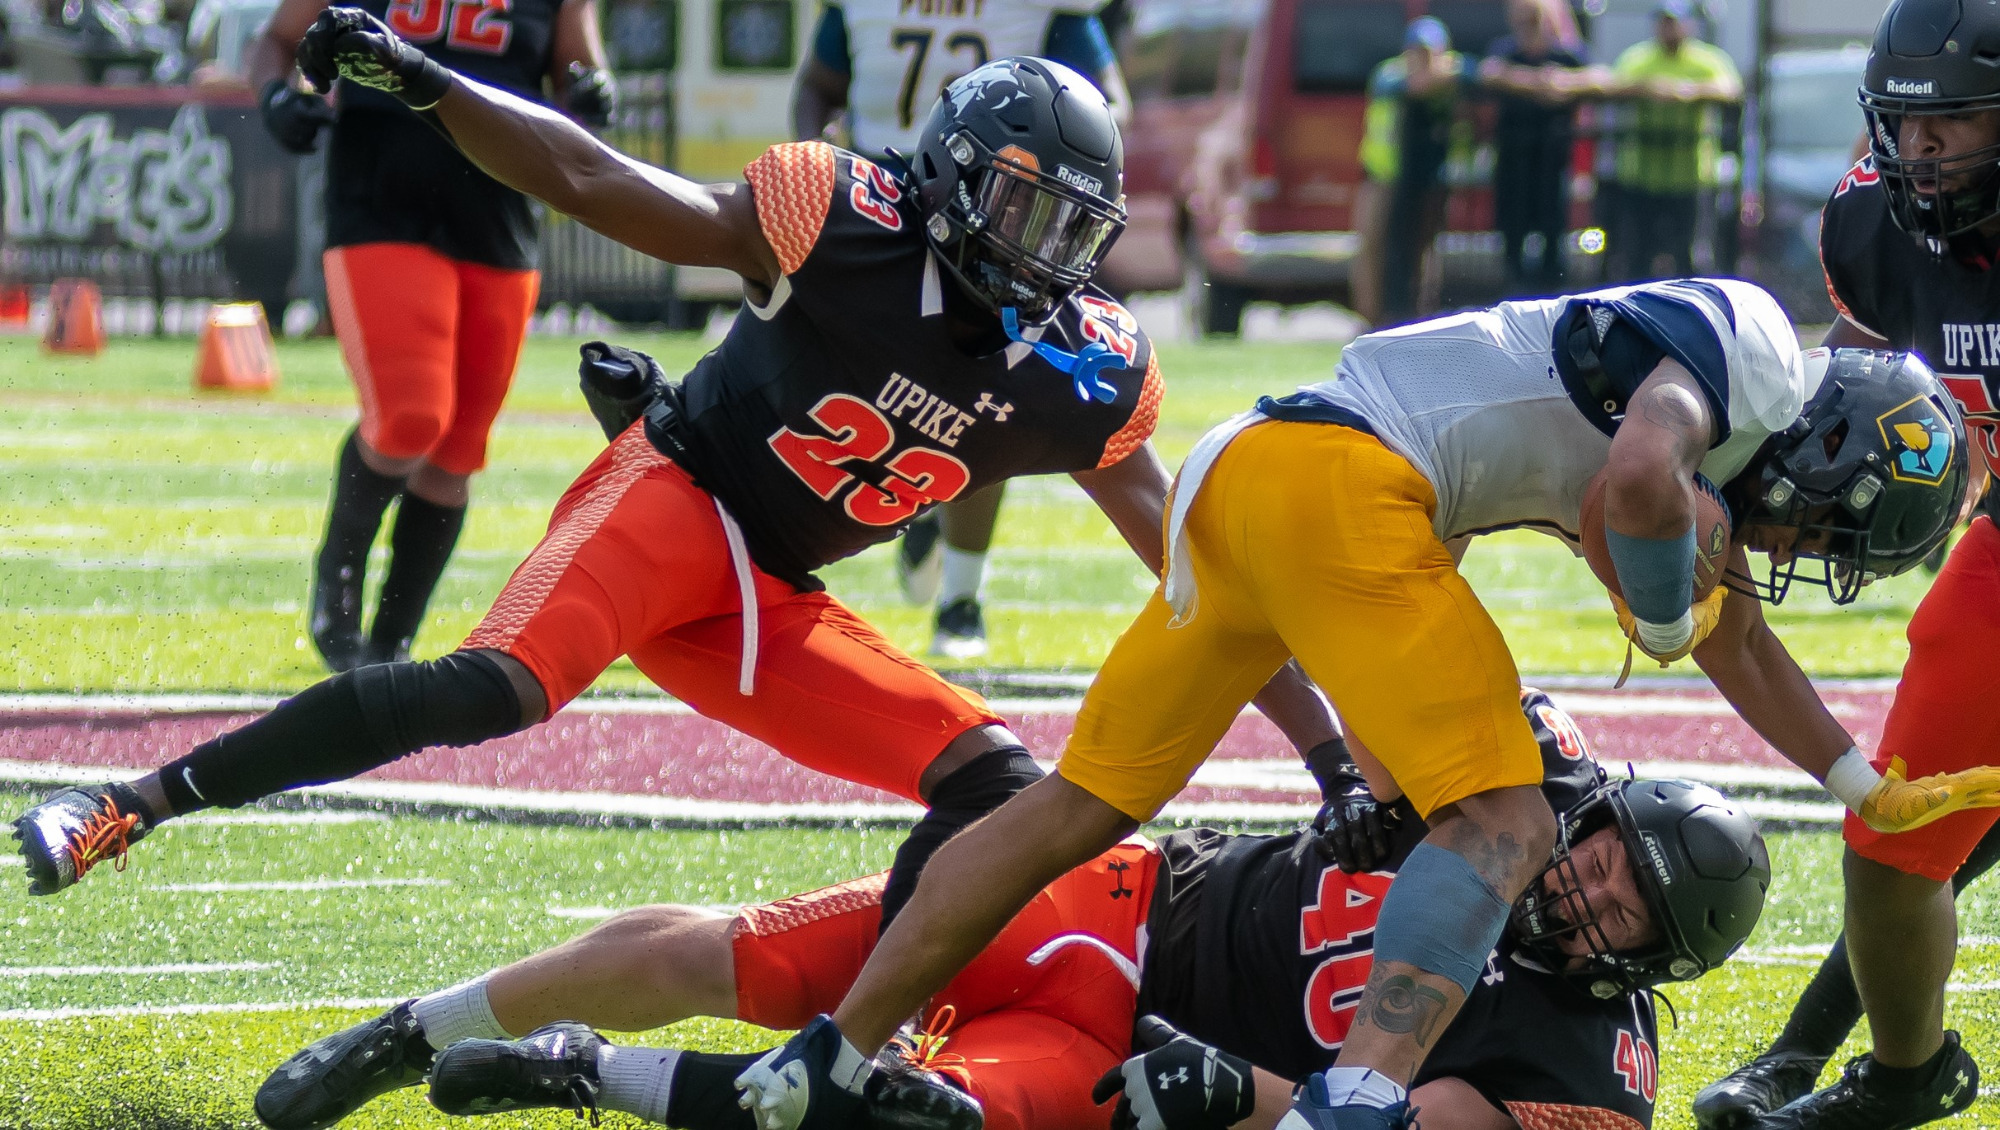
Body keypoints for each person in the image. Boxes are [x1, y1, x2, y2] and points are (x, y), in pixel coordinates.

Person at [10, 44, 1340, 934]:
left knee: (999, 791)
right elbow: (590, 175)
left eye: (1075, 232)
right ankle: (135, 799)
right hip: (678, 494)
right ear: (945, 183)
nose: (1048, 259)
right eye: (1025, 212)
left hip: (770, 595)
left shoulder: (1084, 371)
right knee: (496, 687)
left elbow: (1200, 568)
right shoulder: (843, 217)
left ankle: (882, 1027)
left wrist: (1335, 751)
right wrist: (427, 82)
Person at [726, 277, 1995, 1130]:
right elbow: (1648, 477)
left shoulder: (1721, 411)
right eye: (1819, 522)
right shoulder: (1757, 354)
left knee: (1075, 805)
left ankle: (835, 1046)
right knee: (1505, 820)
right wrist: (1661, 607)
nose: (1788, 537)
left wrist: (1853, 780)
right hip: (1351, 480)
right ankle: (1356, 1098)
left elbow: (1733, 631)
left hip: (1248, 476)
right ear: (1830, 443)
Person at [253, 692, 1768, 1130]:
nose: (1588, 881)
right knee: (757, 955)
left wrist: (1231, 1093)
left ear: (1654, 965)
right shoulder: (1509, 771)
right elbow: (1361, 657)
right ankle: (408, 1027)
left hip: (1121, 1056)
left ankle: (582, 1074)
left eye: (1630, 905)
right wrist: (1359, 763)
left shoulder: (1589, 1070)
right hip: (1100, 895)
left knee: (911, 1118)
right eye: (1611, 848)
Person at [1693, 1, 2000, 1126]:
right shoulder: (1873, 224)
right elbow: (1871, 382)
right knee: (1898, 830)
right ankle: (1894, 1072)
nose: (1918, 155)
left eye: (1951, 124)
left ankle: (1794, 1056)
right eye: (1903, 128)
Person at [248, 0, 616, 672]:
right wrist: (280, 96)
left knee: (459, 448)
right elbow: (276, 40)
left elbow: (579, 69)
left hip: (499, 201)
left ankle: (391, 645)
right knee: (410, 418)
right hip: (381, 187)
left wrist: (591, 90)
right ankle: (339, 578)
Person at [791, 0, 1132, 660]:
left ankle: (960, 595)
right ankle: (902, 507)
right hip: (884, 189)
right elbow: (818, 83)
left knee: (991, 384)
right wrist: (814, 155)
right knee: (833, 362)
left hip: (1002, 204)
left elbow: (1103, 95)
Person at [1604, 0, 1741, 282]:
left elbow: (1731, 89)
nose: (1669, 28)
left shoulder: (1707, 60)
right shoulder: (1638, 58)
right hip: (1642, 175)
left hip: (1689, 177)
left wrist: (1687, 92)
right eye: (1664, 22)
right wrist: (1649, 89)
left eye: (1675, 22)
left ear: (1688, 25)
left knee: (1688, 255)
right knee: (1638, 255)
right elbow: (1613, 86)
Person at [1357, 17, 1467, 325]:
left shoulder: (1451, 72)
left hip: (1429, 179)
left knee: (1425, 251)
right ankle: (1373, 319)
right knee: (1375, 248)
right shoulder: (1390, 73)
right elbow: (1403, 86)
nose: (1420, 58)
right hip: (1383, 177)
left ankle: (1421, 315)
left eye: (1427, 52)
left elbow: (1476, 74)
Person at [1477, 0, 1589, 297]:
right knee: (1512, 232)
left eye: (1534, 18)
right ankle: (1515, 292)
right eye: (1522, 19)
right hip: (1513, 160)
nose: (1528, 25)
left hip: (1552, 162)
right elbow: (1489, 73)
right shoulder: (1504, 52)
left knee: (1553, 232)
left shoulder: (1566, 57)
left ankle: (1552, 294)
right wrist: (1541, 84)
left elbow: (1596, 81)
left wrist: (1565, 85)